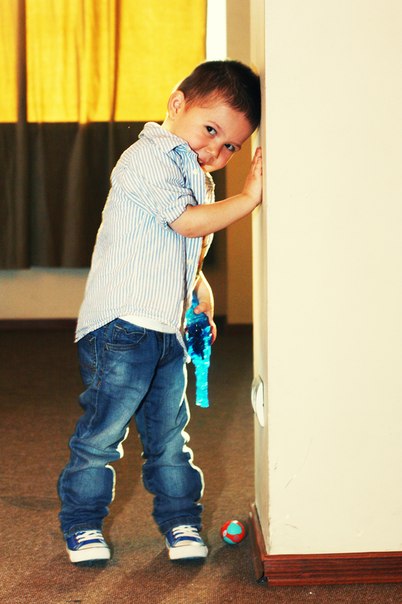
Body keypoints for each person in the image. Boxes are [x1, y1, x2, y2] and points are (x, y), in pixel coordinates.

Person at [57, 59, 262, 566]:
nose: (215, 151)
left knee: (169, 437)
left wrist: (198, 288)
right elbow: (186, 224)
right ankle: (82, 524)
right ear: (176, 104)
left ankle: (181, 520)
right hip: (120, 328)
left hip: (165, 332)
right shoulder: (147, 157)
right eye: (210, 130)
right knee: (102, 437)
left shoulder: (198, 176)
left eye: (231, 147)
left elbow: (181, 249)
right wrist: (250, 197)